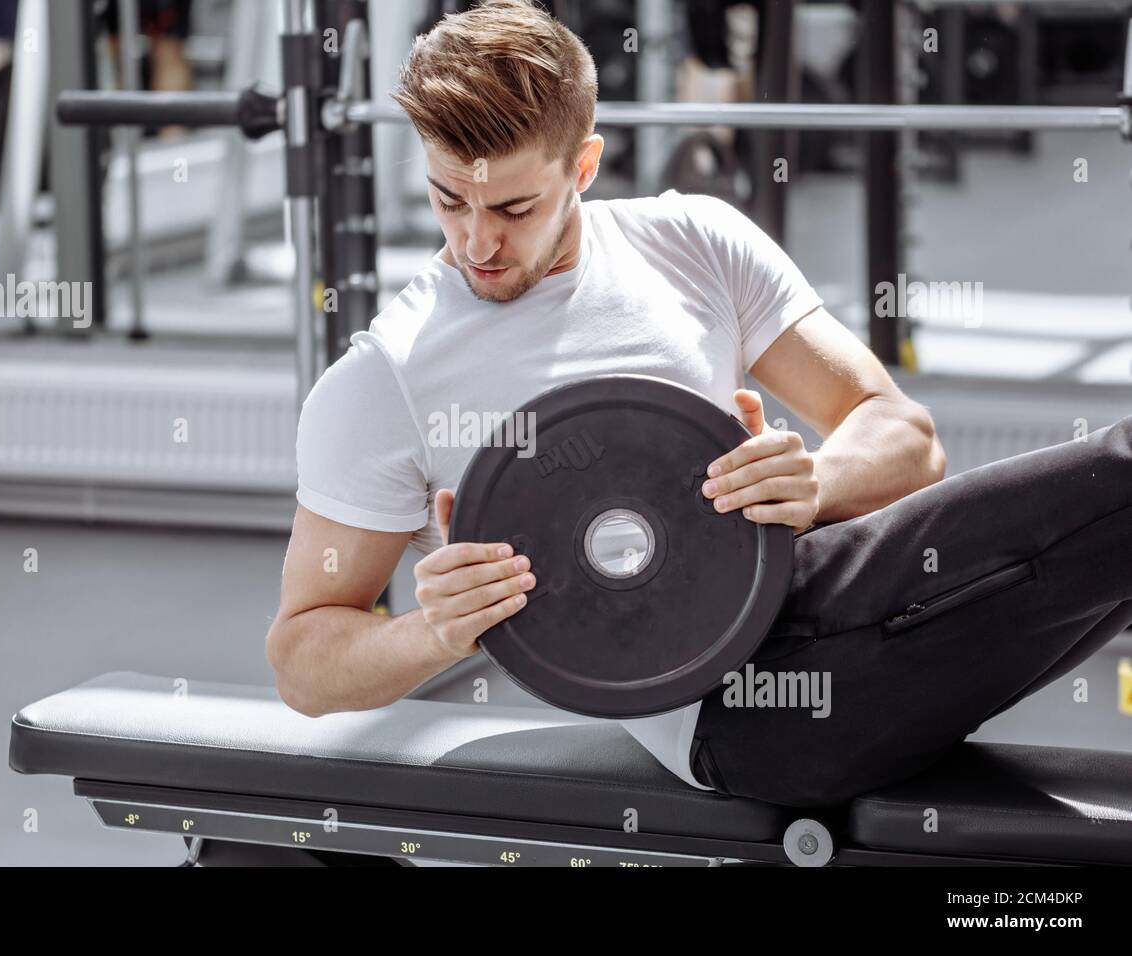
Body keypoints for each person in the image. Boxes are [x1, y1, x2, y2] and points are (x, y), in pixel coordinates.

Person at [266, 0, 1132, 807]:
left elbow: (905, 436)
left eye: (514, 207)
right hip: (739, 714)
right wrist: (434, 633)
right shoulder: (384, 378)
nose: (476, 240)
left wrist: (816, 484)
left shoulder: (694, 243)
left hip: (837, 594)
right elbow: (302, 661)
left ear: (586, 167)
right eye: (448, 198)